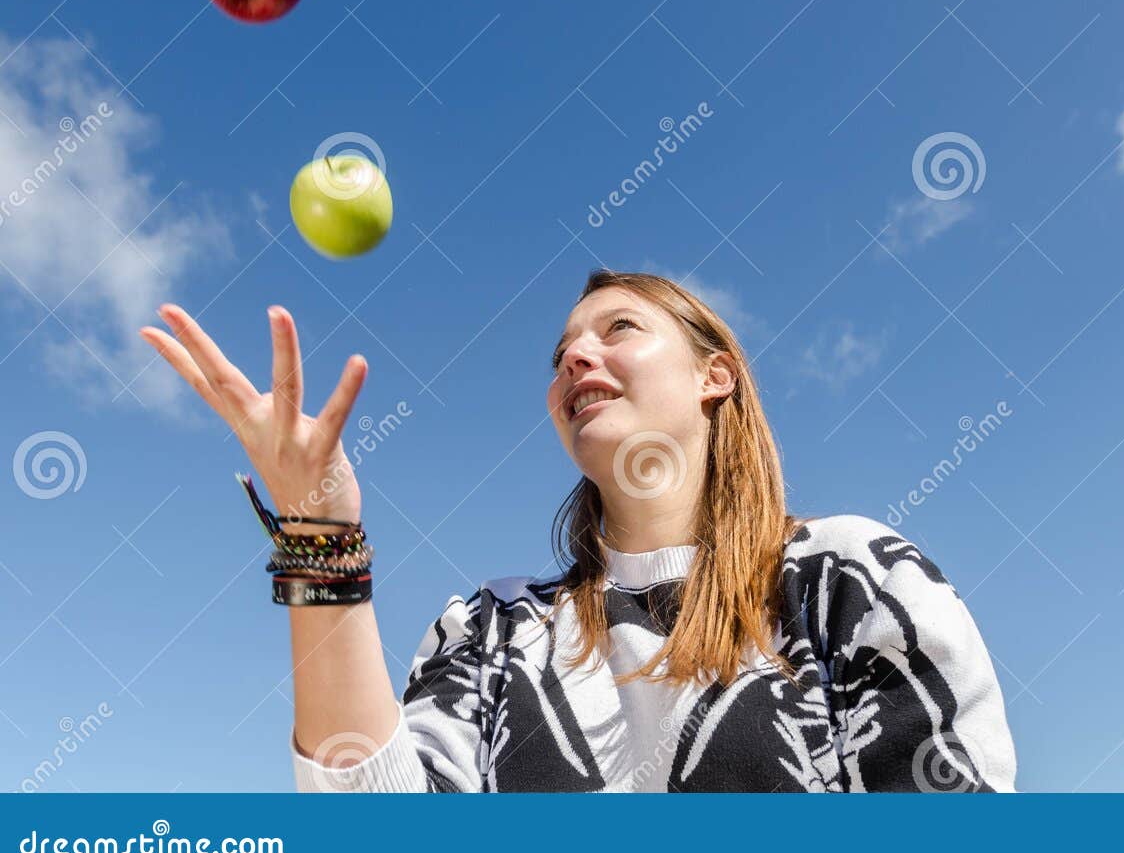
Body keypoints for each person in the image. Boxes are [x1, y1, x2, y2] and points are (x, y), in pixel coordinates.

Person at [140, 269, 1016, 791]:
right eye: (561, 349)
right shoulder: (490, 629)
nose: (574, 356)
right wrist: (317, 534)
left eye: (618, 328)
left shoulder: (850, 576)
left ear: (716, 375)